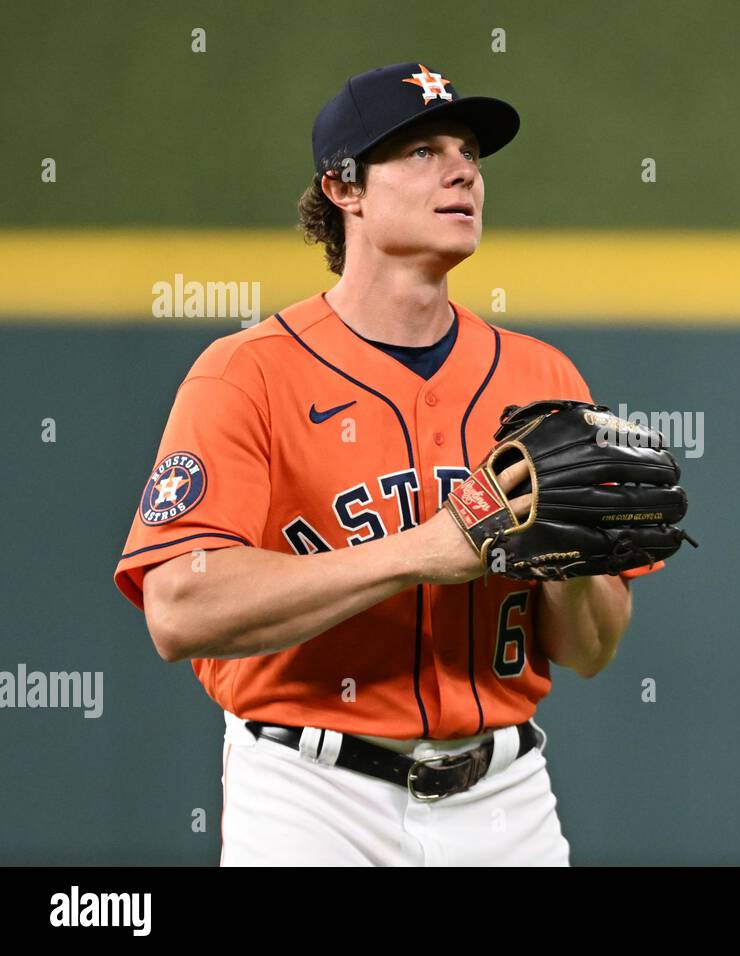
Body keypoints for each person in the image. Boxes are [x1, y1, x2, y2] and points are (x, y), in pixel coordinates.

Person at [112, 61, 667, 866]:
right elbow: (178, 609)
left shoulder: (544, 380)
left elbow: (591, 650)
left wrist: (569, 563)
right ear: (345, 189)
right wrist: (424, 551)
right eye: (420, 150)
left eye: (470, 151)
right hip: (309, 798)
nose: (462, 171)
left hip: (505, 797)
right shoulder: (247, 373)